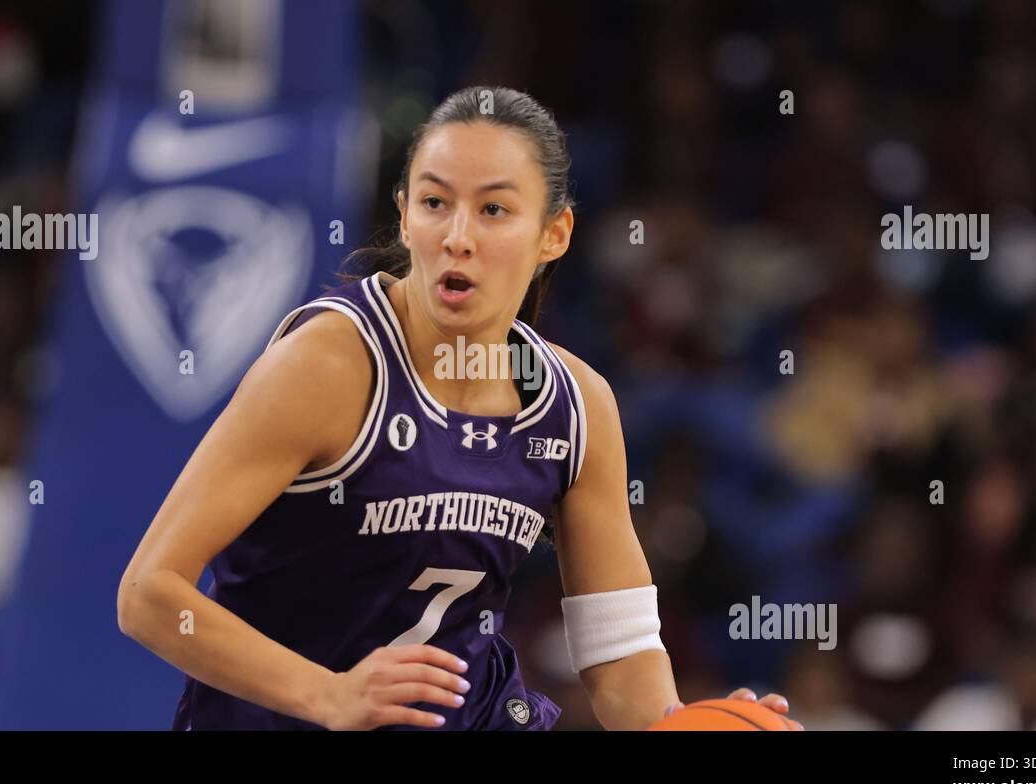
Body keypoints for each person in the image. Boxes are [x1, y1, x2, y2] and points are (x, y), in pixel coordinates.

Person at [118, 86, 796, 730]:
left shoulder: (574, 405)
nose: (458, 235)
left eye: (494, 210)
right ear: (405, 216)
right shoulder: (330, 365)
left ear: (554, 234)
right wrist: (328, 692)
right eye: (435, 203)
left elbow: (618, 652)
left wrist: (682, 723)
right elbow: (150, 592)